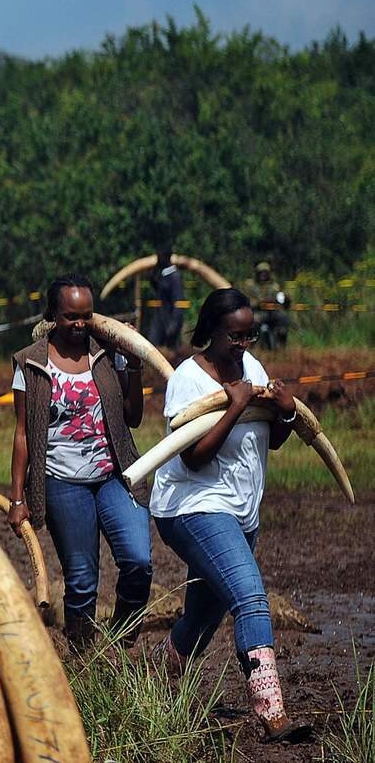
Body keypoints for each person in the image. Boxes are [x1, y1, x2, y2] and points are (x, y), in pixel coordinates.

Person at [151, 288, 310, 743]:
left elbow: (271, 440)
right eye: (234, 336)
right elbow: (193, 459)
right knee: (250, 599)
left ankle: (157, 681)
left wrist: (283, 414)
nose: (242, 346)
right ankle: (272, 712)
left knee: (201, 619)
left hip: (243, 511)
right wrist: (234, 404)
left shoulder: (253, 369)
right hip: (193, 507)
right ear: (211, 331)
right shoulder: (188, 379)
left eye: (249, 336)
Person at [7, 275, 150, 650]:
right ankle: (85, 655)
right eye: (71, 316)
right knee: (83, 579)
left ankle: (122, 638)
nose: (79, 324)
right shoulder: (31, 363)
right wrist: (18, 498)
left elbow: (132, 416)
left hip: (113, 475)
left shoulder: (106, 353)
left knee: (138, 561)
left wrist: (133, 365)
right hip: (61, 480)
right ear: (53, 315)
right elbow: (23, 432)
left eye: (86, 315)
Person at [144, 249, 185, 353]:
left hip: (169, 322)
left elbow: (178, 302)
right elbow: (160, 291)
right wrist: (152, 278)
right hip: (160, 320)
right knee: (152, 350)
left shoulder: (175, 276)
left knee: (171, 354)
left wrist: (174, 325)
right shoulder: (163, 275)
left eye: (159, 257)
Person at [243, 261, 290, 351]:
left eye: (265, 273)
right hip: (257, 312)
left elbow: (281, 300)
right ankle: (253, 346)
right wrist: (260, 302)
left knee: (283, 318)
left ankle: (281, 347)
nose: (263, 275)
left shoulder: (274, 286)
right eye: (261, 273)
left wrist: (285, 299)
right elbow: (247, 301)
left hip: (272, 312)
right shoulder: (250, 285)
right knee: (255, 320)